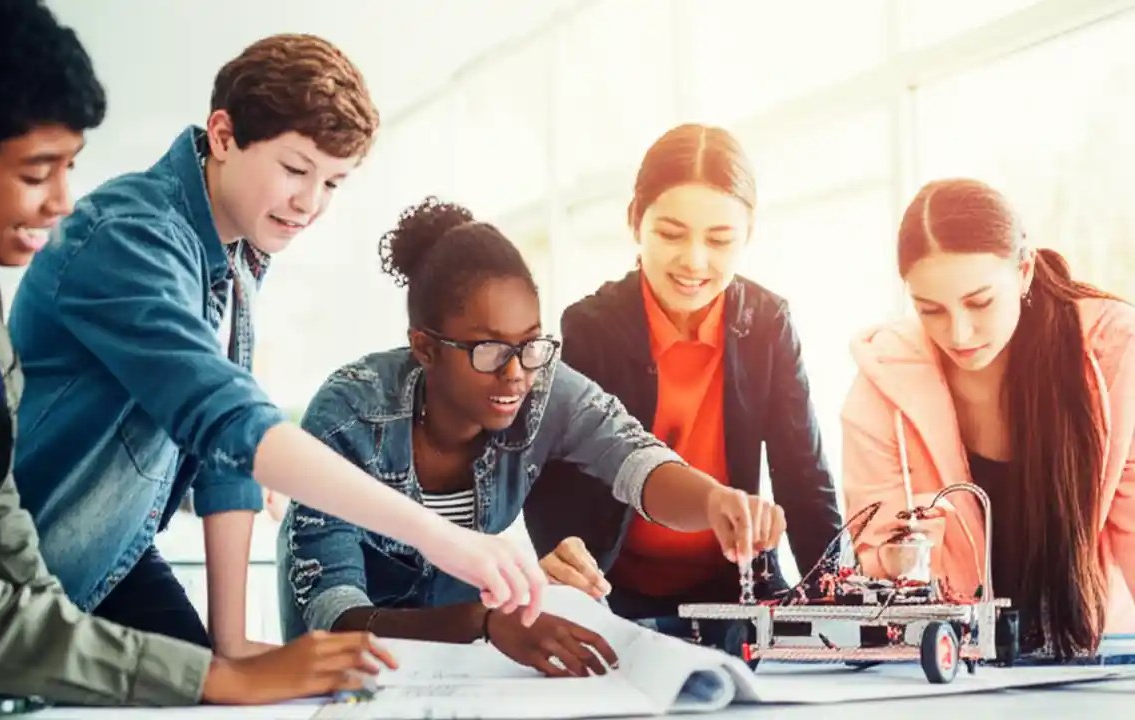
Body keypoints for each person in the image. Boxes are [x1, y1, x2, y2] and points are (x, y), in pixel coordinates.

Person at [0, 0, 394, 706]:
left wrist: (208, 656)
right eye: (36, 171)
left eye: (68, 166)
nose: (61, 202)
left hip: (55, 595)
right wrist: (212, 670)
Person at [6, 32, 545, 658]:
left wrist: (231, 645)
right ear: (223, 135)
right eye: (295, 169)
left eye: (333, 183)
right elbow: (230, 419)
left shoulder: (239, 255)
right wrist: (441, 537)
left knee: (225, 688)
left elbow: (224, 459)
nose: (309, 204)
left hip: (112, 561)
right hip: (25, 573)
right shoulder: (131, 237)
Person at [278, 197, 787, 676]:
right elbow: (334, 620)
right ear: (425, 348)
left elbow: (634, 455)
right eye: (489, 350)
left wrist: (715, 501)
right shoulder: (348, 416)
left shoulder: (541, 385)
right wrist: (482, 622)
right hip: (346, 677)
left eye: (530, 343)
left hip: (466, 665)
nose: (517, 373)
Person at [522, 124, 842, 626]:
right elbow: (556, 468)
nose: (695, 261)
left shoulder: (768, 322)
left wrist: (833, 594)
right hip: (618, 589)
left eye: (719, 240)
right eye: (671, 234)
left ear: (749, 235)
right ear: (635, 222)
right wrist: (563, 556)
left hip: (738, 585)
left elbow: (804, 475)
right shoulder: (591, 324)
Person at [842, 178, 1135, 658]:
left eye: (980, 303)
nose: (958, 333)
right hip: (950, 668)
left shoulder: (1114, 356)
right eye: (929, 310)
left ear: (1023, 271)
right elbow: (883, 566)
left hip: (1096, 656)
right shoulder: (881, 388)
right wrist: (899, 557)